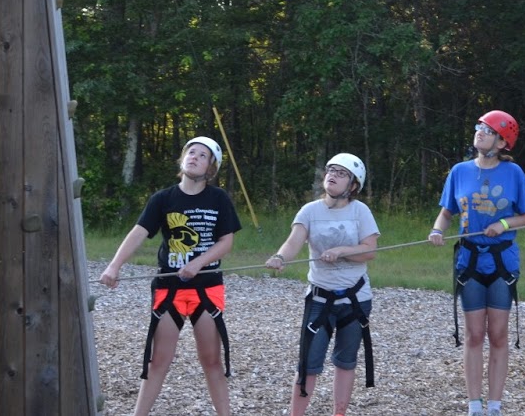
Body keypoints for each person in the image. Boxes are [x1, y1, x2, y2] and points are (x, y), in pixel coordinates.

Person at [100, 137, 241, 416]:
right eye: (191, 152)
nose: (195, 157)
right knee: (159, 359)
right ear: (182, 159)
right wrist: (114, 266)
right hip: (169, 289)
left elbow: (226, 242)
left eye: (203, 155)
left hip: (206, 288)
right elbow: (138, 233)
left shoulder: (219, 198)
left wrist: (198, 263)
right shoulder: (163, 199)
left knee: (211, 360)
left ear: (211, 167)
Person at [428, 110, 525, 416]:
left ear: (503, 142)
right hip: (470, 260)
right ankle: (474, 404)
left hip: (502, 261)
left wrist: (503, 224)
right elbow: (447, 211)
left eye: (488, 130)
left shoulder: (514, 175)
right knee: (474, 334)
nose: (480, 132)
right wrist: (438, 230)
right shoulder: (459, 171)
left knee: (498, 334)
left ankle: (495, 405)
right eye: (479, 127)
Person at [266, 153, 380, 416]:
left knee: (345, 361)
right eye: (331, 170)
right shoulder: (309, 211)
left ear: (353, 185)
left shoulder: (361, 211)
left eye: (341, 173)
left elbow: (370, 250)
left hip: (355, 299)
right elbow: (294, 241)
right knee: (308, 364)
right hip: (319, 299)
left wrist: (341, 251)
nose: (332, 175)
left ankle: (339, 412)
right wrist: (281, 257)